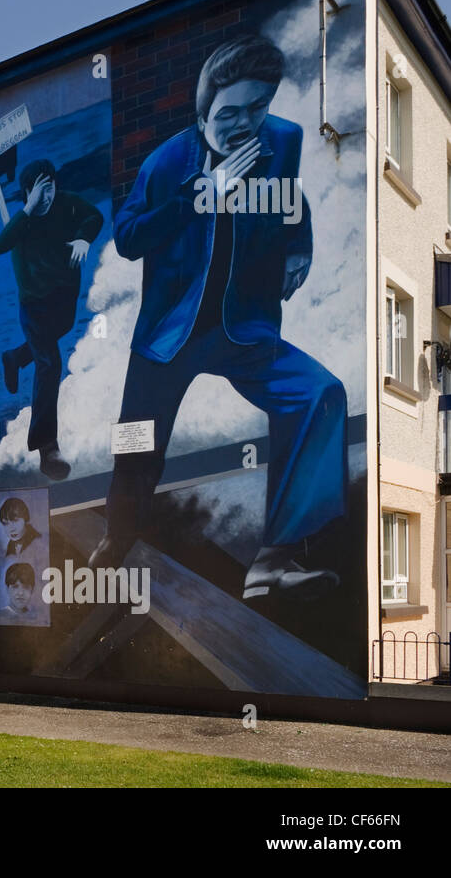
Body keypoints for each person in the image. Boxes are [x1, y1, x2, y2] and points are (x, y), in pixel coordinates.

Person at [89, 35, 346, 602]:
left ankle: (274, 561)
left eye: (258, 107)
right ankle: (117, 534)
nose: (244, 124)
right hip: (167, 336)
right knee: (135, 446)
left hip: (243, 328)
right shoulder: (166, 162)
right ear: (203, 112)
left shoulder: (283, 140)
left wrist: (300, 245)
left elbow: (291, 198)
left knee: (321, 394)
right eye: (230, 113)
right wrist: (204, 193)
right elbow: (129, 238)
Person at [0, 159, 103, 480]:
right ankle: (47, 448)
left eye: (51, 185)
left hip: (63, 297)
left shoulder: (67, 203)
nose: (48, 194)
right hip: (34, 306)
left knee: (63, 330)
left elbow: (93, 215)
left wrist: (84, 237)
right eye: (41, 189)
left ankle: (14, 357)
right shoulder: (22, 222)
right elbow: (0, 246)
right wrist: (27, 209)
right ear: (28, 192)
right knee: (49, 364)